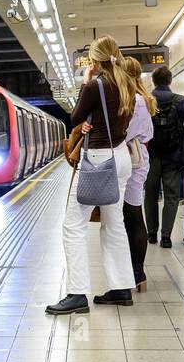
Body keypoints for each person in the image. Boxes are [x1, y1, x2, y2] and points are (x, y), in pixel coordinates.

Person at [47, 35, 137, 315]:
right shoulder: (128, 84)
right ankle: (122, 288)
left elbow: (74, 118)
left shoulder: (96, 85)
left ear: (94, 61)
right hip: (121, 157)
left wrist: (86, 82)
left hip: (98, 160)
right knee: (114, 222)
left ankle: (76, 294)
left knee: (73, 225)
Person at [144, 66, 184, 249]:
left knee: (150, 194)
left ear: (153, 81)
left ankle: (151, 233)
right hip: (174, 155)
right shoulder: (181, 101)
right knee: (171, 195)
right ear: (170, 81)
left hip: (151, 155)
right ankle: (166, 237)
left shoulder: (145, 100)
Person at [118, 56, 156, 289]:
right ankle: (137, 274)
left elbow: (122, 132)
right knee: (132, 214)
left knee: (131, 216)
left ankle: (135, 272)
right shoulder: (144, 99)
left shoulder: (133, 101)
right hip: (140, 156)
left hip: (130, 158)